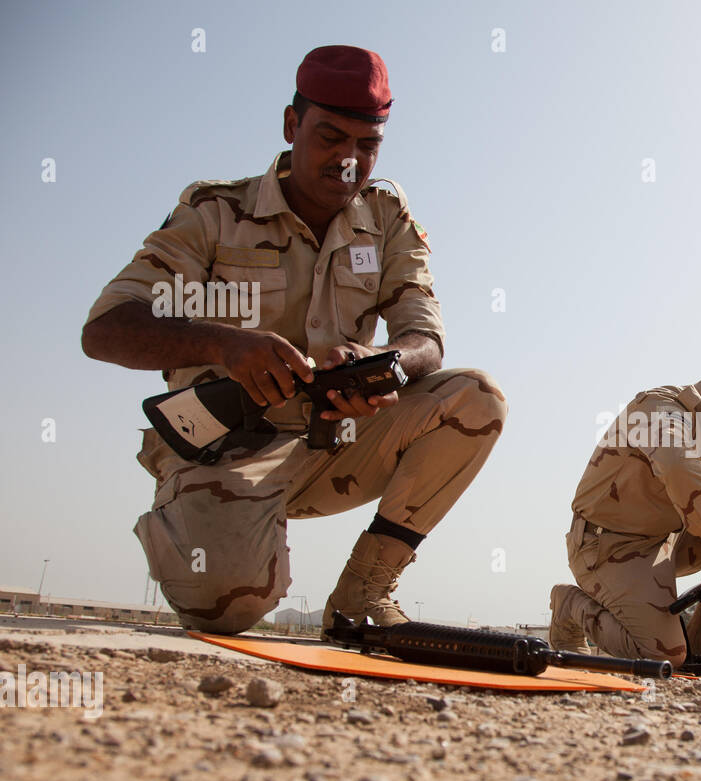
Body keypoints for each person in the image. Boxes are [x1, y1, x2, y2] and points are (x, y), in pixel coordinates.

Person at [81, 46, 507, 635]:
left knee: (476, 398)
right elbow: (104, 330)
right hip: (226, 447)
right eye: (332, 137)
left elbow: (425, 338)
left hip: (333, 441)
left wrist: (381, 365)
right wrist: (224, 346)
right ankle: (202, 513)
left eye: (367, 145)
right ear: (291, 125)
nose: (349, 160)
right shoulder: (214, 212)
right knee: (226, 607)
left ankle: (362, 595)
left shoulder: (385, 215)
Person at [548, 356, 701, 666]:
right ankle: (570, 607)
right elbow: (679, 468)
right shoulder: (661, 410)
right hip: (607, 544)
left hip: (665, 542)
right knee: (663, 656)